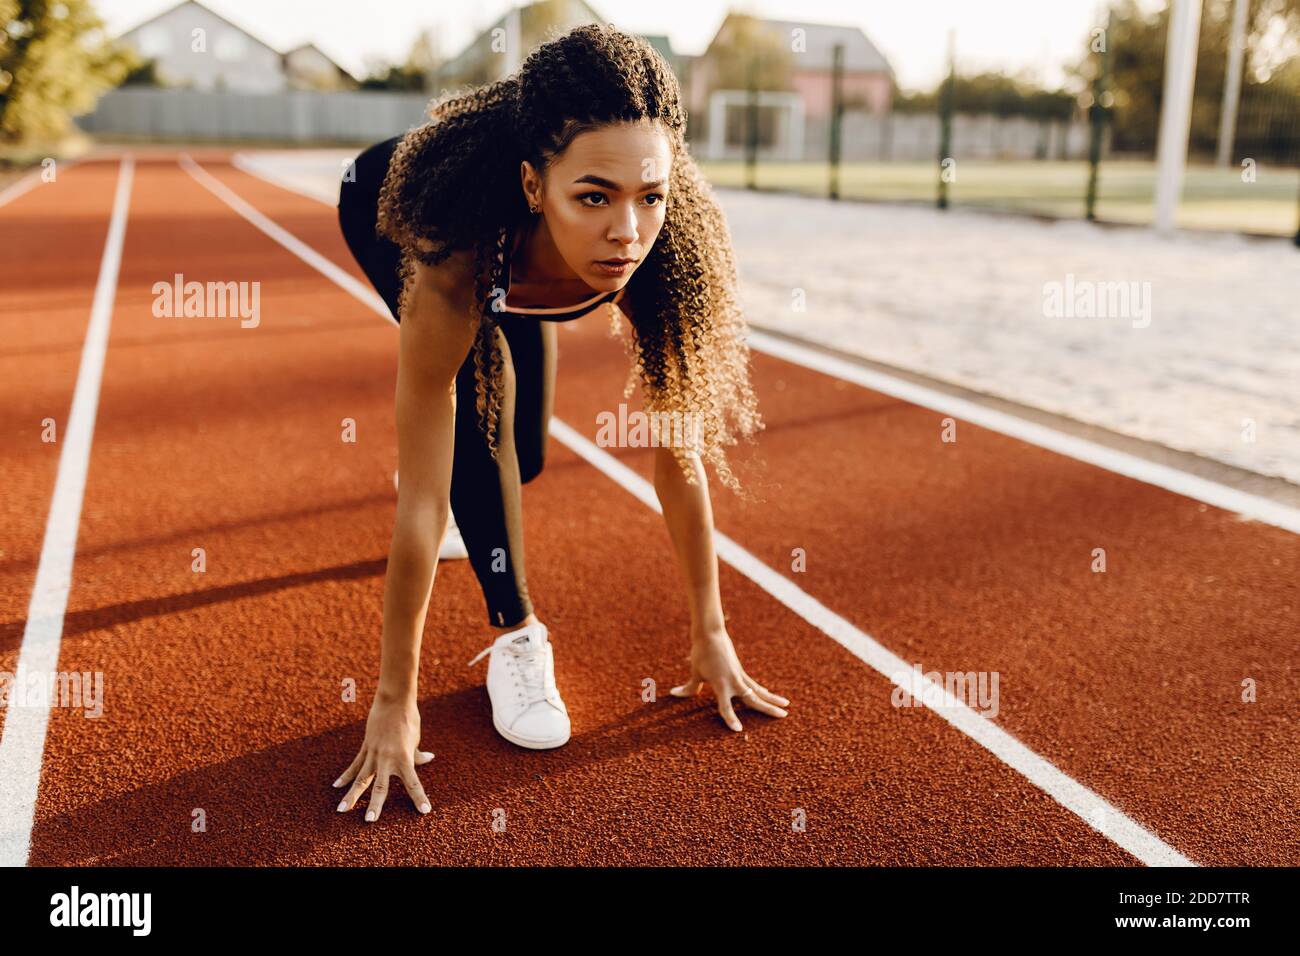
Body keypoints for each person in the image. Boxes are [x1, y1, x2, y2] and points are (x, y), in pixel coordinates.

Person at [332, 24, 787, 823]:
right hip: (386, 201)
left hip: (527, 256)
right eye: (595, 197)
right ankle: (516, 635)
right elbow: (418, 509)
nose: (627, 234)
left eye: (651, 195)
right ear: (535, 186)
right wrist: (393, 699)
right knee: (480, 411)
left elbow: (676, 456)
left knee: (527, 460)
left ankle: (481, 467)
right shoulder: (453, 260)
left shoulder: (663, 250)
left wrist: (709, 633)